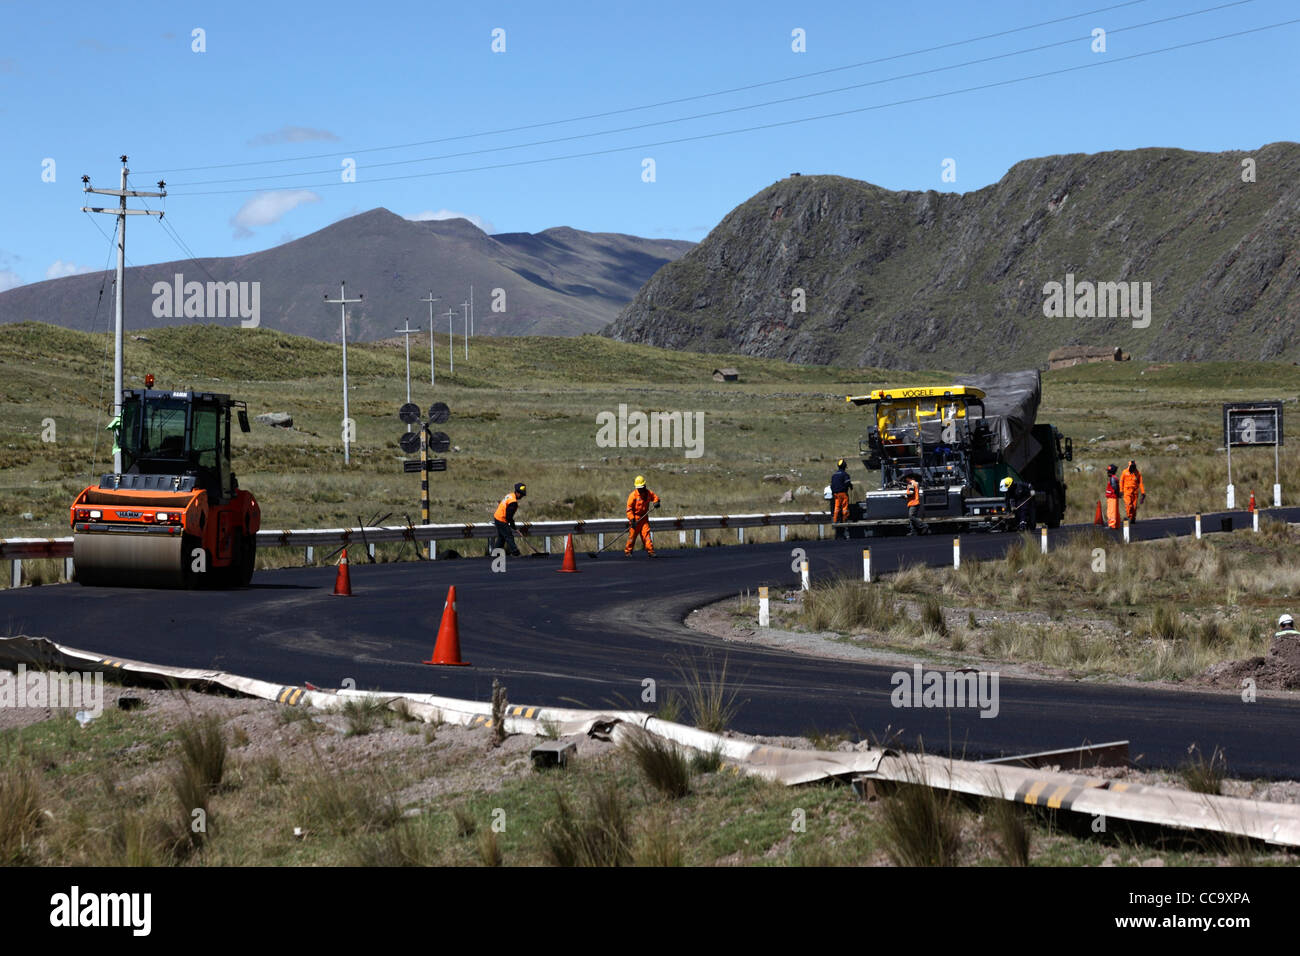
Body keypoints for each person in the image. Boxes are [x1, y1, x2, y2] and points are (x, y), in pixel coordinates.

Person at [625, 475, 661, 556]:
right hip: (635, 519)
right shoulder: (633, 496)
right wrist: (632, 519)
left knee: (646, 535)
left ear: (645, 485)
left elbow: (655, 497)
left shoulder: (648, 493)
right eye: (639, 487)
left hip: (644, 518)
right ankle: (628, 552)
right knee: (632, 536)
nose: (641, 489)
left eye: (642, 487)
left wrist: (656, 502)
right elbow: (629, 509)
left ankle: (650, 552)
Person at [491, 482, 526, 556]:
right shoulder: (513, 502)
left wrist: (512, 526)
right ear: (517, 492)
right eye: (521, 494)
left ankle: (495, 553)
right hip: (501, 519)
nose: (522, 496)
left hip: (497, 517)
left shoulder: (510, 495)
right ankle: (515, 552)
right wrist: (514, 527)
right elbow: (509, 517)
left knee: (502, 537)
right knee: (509, 536)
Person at [830, 458, 853, 538]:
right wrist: (850, 486)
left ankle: (835, 520)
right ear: (844, 466)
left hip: (835, 494)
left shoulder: (834, 475)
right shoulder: (845, 475)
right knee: (845, 507)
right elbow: (847, 483)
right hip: (843, 493)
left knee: (837, 507)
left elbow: (832, 486)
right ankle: (844, 521)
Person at [905, 471, 929, 535]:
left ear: (908, 478)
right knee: (912, 518)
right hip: (914, 502)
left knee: (911, 517)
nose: (905, 479)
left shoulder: (911, 483)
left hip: (913, 503)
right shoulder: (915, 483)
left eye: (905, 478)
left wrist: (904, 496)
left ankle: (923, 525)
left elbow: (911, 492)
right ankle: (913, 531)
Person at [1104, 464, 1122, 529]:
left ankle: (1112, 525)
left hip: (1112, 498)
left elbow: (1115, 487)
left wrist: (1118, 494)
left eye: (1108, 471)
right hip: (1114, 497)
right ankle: (1116, 525)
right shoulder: (1114, 478)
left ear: (1110, 472)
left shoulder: (1112, 479)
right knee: (1115, 512)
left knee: (1111, 512)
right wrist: (1118, 495)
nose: (1107, 473)